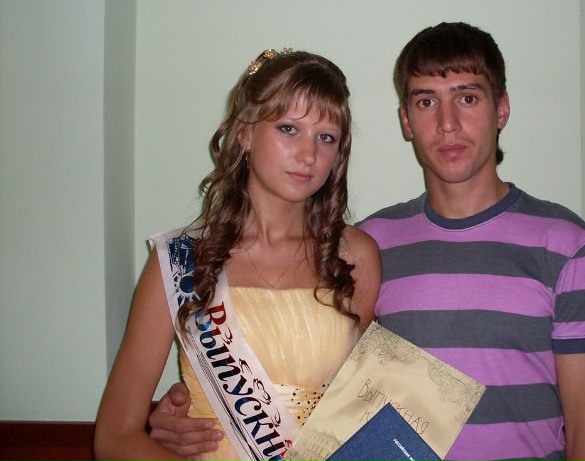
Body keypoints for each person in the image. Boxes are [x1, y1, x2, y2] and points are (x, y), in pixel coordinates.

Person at [148, 23, 585, 461]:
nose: (448, 123)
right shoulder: (366, 246)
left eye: (467, 97)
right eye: (426, 102)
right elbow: (323, 383)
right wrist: (180, 412)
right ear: (406, 120)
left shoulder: (568, 247)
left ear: (502, 109)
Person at [94, 50, 381, 461]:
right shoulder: (181, 261)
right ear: (245, 134)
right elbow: (114, 438)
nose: (308, 154)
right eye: (288, 129)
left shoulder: (355, 256)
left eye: (326, 137)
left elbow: (356, 411)